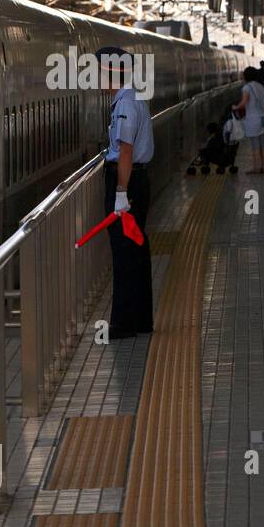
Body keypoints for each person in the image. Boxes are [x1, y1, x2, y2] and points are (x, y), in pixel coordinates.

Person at [100, 45, 154, 340]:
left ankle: (123, 323)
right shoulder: (133, 99)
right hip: (136, 181)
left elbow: (125, 153)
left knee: (124, 252)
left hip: (128, 183)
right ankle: (140, 319)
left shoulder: (125, 104)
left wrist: (120, 192)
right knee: (135, 250)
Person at [235, 66, 264, 174]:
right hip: (263, 119)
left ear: (246, 76)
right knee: (263, 145)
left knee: (255, 145)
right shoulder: (261, 87)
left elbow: (244, 103)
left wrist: (235, 107)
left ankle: (256, 168)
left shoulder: (246, 88)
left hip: (253, 120)